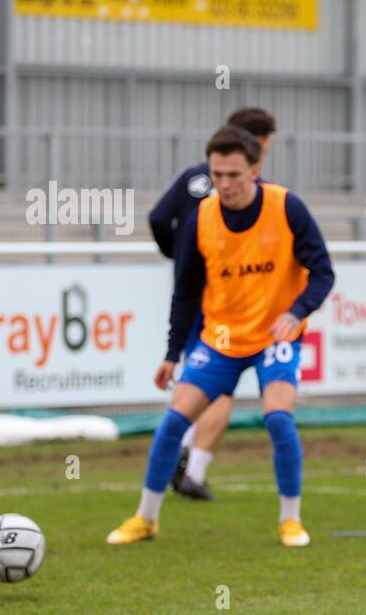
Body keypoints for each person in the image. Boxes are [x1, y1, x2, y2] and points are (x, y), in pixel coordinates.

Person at [107, 125, 334, 548]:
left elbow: (323, 273)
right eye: (217, 174)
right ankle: (146, 518)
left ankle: (291, 520)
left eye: (233, 174)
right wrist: (171, 354)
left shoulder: (287, 207)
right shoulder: (201, 218)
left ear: (256, 169)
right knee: (173, 422)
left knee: (279, 418)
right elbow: (187, 292)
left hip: (274, 336)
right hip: (222, 338)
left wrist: (296, 311)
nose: (224, 184)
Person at [147, 107, 279, 500]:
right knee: (219, 389)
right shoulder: (254, 186)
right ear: (256, 144)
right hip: (228, 301)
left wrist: (181, 258)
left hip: (191, 297)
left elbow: (156, 218)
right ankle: (194, 468)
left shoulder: (192, 176)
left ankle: (176, 450)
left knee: (192, 381)